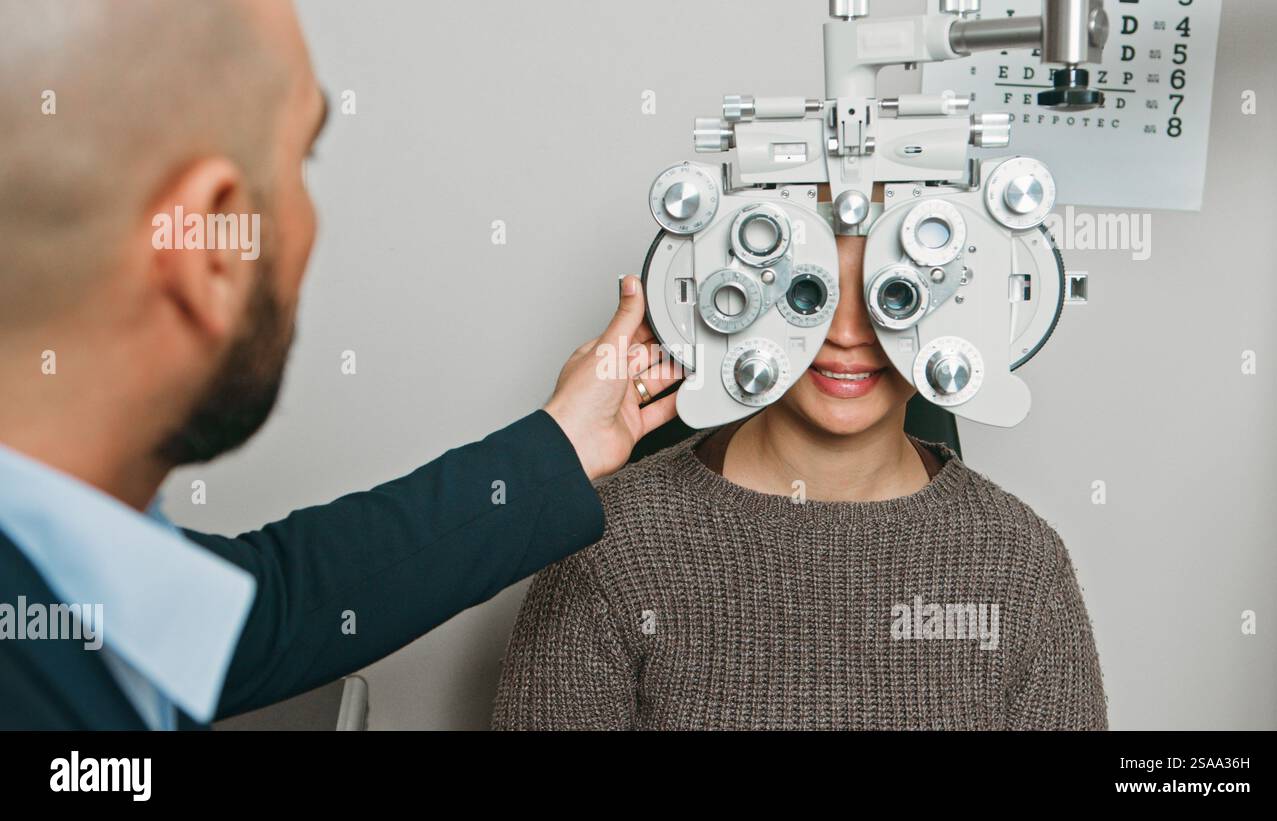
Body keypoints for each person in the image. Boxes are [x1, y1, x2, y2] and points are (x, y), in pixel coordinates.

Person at [0, 0, 677, 730]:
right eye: (302, 159)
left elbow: (275, 607)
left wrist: (559, 446)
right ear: (211, 249)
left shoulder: (67, 572)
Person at [492, 220, 1109, 730]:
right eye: (808, 293)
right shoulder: (609, 545)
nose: (845, 335)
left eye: (891, 296)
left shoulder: (1020, 559)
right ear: (743, 301)